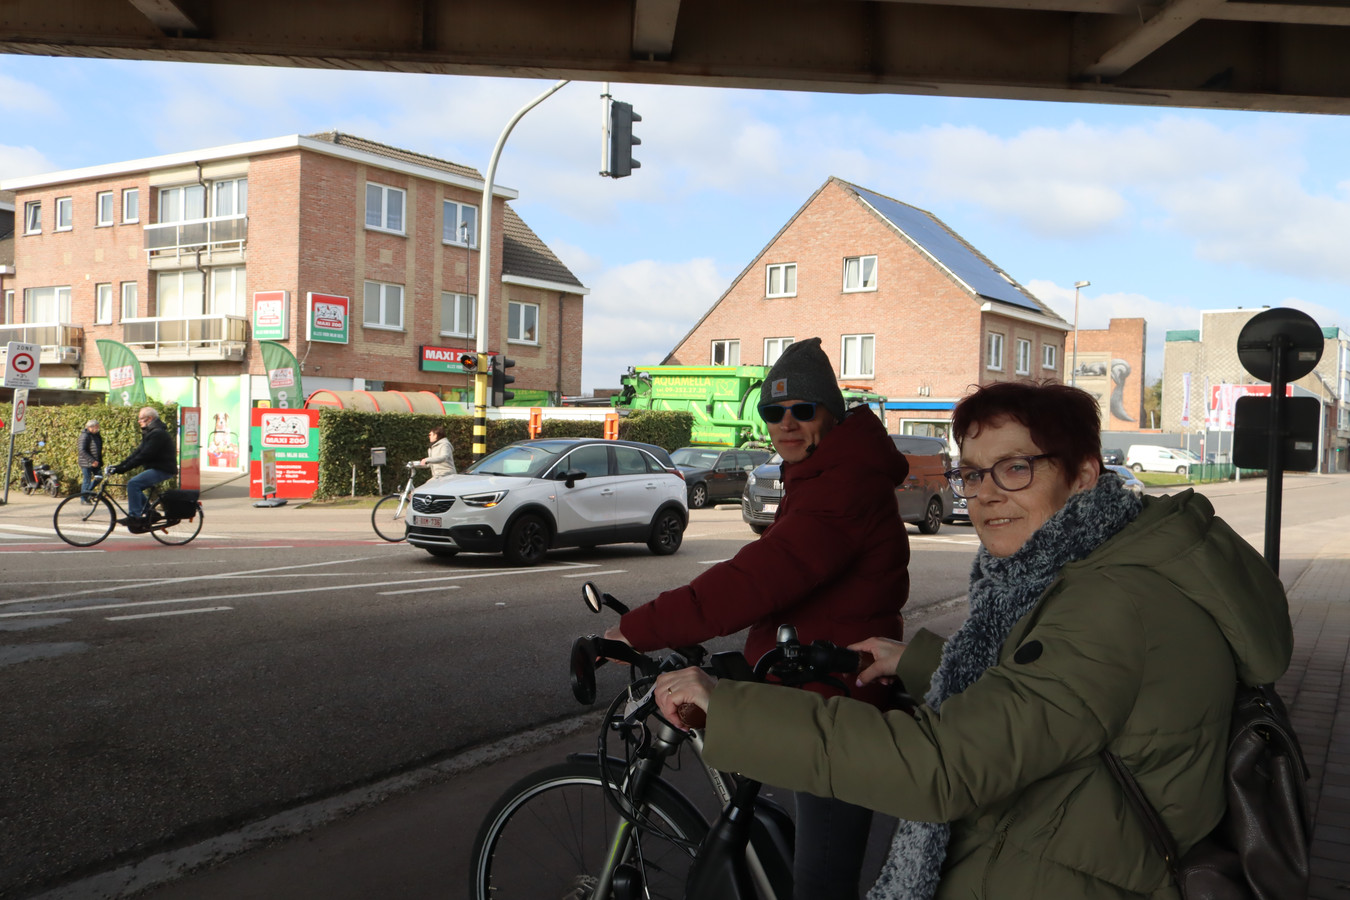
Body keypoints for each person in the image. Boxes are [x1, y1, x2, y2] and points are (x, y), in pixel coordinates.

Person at [654, 380, 1293, 900]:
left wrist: (729, 706)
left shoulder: (1112, 604)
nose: (986, 495)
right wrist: (926, 662)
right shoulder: (1107, 567)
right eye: (973, 474)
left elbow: (944, 768)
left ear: (1085, 475)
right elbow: (1056, 701)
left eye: (1015, 469)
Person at [605, 337, 911, 900]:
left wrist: (633, 630)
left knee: (821, 885)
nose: (786, 423)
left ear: (832, 413)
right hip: (811, 685)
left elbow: (756, 581)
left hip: (837, 708)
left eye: (803, 409)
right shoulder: (822, 474)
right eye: (773, 411)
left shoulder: (843, 487)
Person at [105, 407, 178, 529]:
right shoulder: (150, 433)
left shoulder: (157, 434)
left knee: (134, 484)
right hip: (157, 468)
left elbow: (144, 455)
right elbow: (136, 453)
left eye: (140, 419)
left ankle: (135, 517)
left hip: (163, 469)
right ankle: (151, 513)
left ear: (150, 419)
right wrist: (119, 467)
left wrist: (124, 469)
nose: (138, 421)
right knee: (135, 485)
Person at [76, 419, 103, 503]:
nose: (98, 429)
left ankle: (88, 493)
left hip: (96, 461)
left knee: (99, 477)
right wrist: (92, 461)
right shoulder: (84, 436)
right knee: (87, 480)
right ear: (90, 427)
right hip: (86, 462)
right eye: (96, 427)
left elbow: (98, 449)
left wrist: (99, 461)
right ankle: (84, 499)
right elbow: (82, 450)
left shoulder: (96, 435)